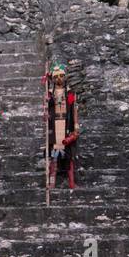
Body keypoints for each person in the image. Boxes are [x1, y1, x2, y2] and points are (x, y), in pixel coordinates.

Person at [43, 61, 79, 192]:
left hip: (66, 124)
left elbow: (74, 110)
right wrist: (46, 112)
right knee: (53, 156)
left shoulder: (70, 93)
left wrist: (76, 126)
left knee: (69, 156)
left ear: (65, 77)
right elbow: (46, 113)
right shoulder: (49, 94)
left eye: (61, 76)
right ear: (53, 78)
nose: (59, 79)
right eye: (56, 76)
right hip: (54, 125)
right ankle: (52, 182)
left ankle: (71, 182)